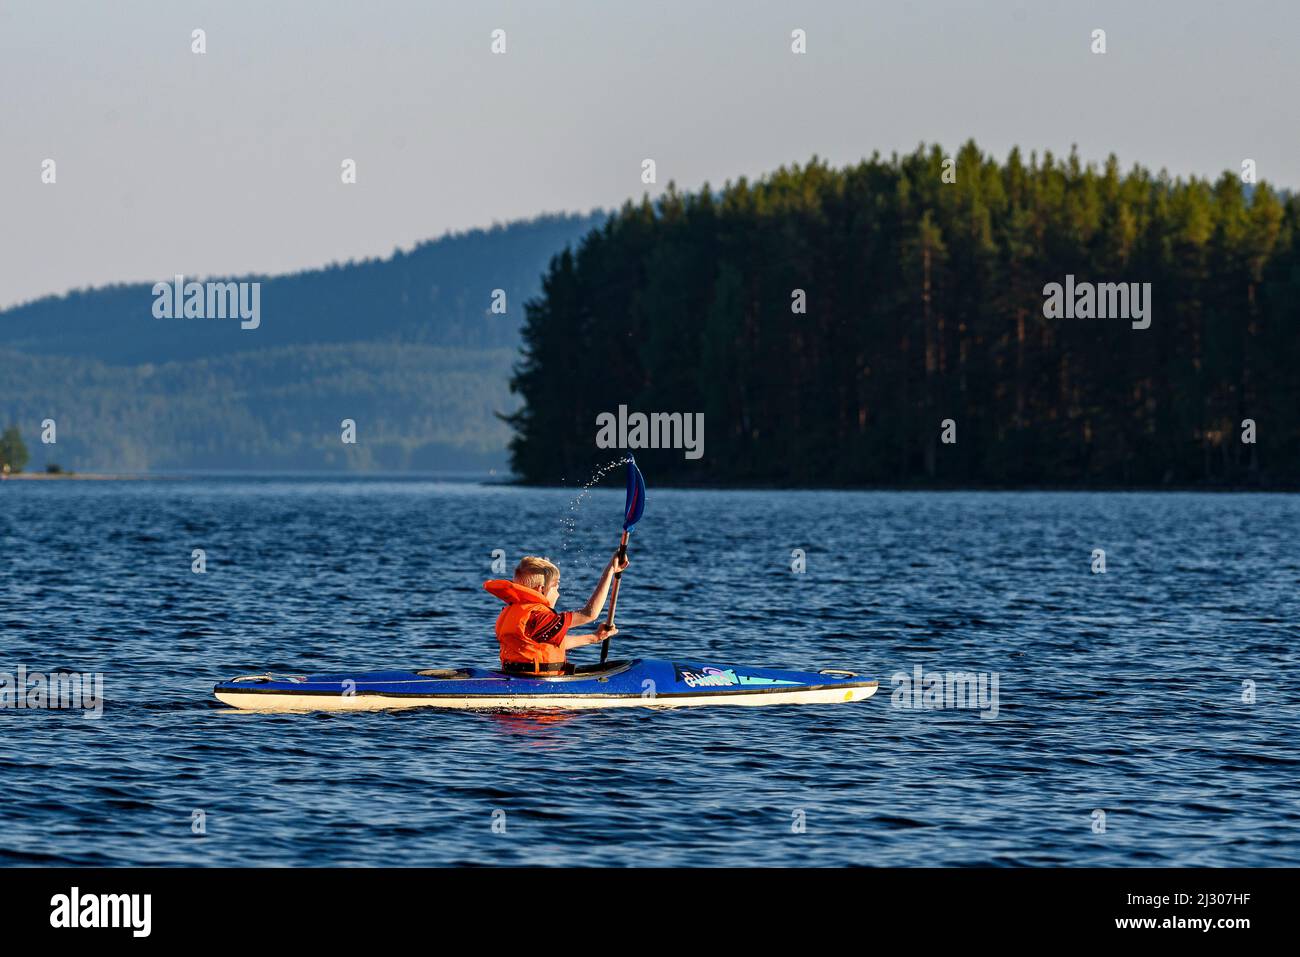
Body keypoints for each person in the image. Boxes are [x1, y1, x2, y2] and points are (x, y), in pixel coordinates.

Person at [484, 552, 630, 675]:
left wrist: (594, 637)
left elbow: (553, 643)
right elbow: (589, 614)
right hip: (537, 683)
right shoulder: (538, 617)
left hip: (516, 676)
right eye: (556, 587)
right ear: (541, 589)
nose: (558, 594)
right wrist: (610, 570)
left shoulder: (515, 611)